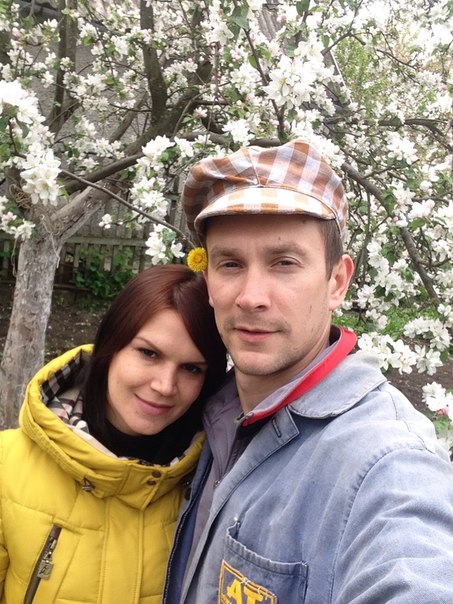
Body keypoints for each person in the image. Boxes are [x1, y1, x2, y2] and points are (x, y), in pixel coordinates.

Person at [163, 139, 453, 603]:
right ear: (209, 281)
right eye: (230, 264)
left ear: (337, 281)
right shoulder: (212, 409)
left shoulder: (387, 463)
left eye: (284, 263)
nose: (251, 297)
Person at [0, 264, 226, 603]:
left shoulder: (211, 483)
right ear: (110, 346)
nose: (165, 386)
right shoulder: (6, 467)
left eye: (191, 368)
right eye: (149, 353)